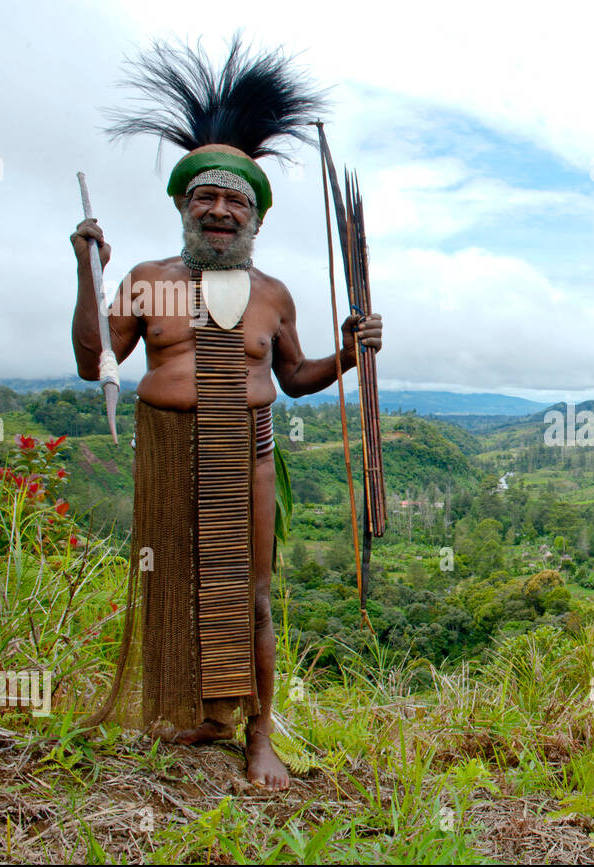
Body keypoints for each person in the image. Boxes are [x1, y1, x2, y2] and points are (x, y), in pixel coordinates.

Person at [72, 37, 380, 790]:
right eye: (205, 197)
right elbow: (92, 363)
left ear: (255, 219)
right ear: (184, 206)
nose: (219, 210)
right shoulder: (146, 279)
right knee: (171, 579)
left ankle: (258, 737)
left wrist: (348, 353)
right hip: (168, 448)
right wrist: (87, 270)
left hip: (247, 451)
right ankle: (200, 713)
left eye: (234, 200)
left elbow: (297, 377)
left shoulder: (272, 294)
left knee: (249, 593)